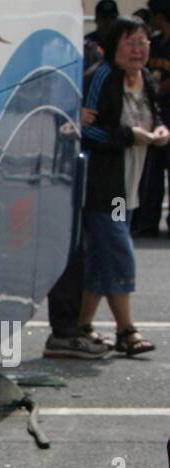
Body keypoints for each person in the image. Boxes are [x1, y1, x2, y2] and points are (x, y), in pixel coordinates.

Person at [79, 14, 169, 356]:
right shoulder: (101, 77)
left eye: (143, 43)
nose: (138, 50)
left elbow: (154, 117)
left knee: (103, 259)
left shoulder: (144, 78)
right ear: (113, 45)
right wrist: (130, 136)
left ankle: (82, 326)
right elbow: (85, 129)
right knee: (120, 253)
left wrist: (159, 132)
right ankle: (126, 330)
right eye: (130, 42)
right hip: (106, 187)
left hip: (130, 185)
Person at [132, 0, 170, 235]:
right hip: (152, 118)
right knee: (151, 174)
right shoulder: (155, 44)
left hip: (166, 116)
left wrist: (156, 87)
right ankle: (146, 222)